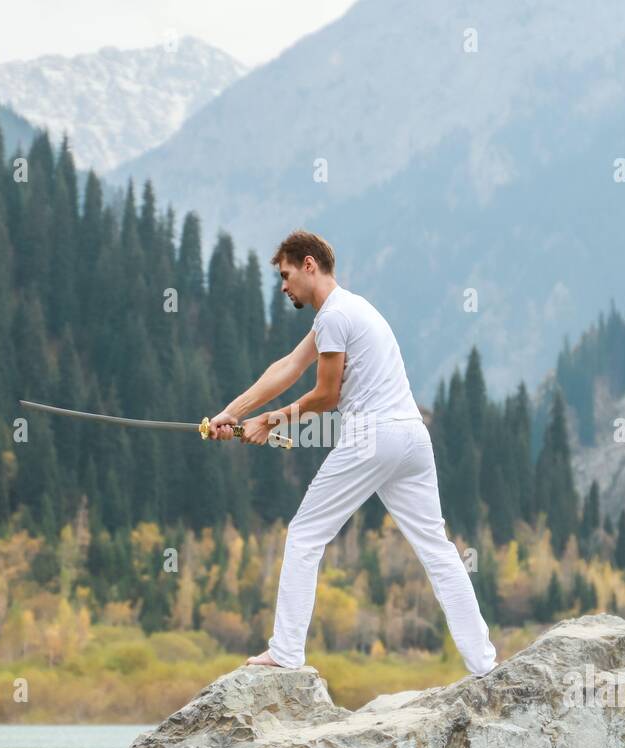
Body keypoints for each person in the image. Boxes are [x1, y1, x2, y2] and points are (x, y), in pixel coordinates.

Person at [207, 230, 498, 678]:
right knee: (438, 552)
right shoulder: (348, 310)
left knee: (304, 535)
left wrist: (273, 421)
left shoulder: (334, 317)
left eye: (285, 275)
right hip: (412, 438)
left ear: (309, 265)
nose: (283, 286)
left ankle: (285, 651)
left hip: (373, 436)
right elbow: (287, 368)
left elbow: (327, 395)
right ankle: (485, 666)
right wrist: (232, 412)